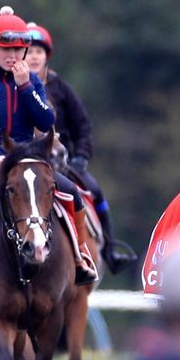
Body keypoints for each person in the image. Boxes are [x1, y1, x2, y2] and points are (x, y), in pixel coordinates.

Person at [0, 7, 97, 293]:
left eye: (18, 48)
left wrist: (25, 88)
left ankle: (80, 255)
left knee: (73, 193)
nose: (12, 55)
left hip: (28, 158)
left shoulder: (31, 81)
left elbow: (46, 121)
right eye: (5, 49)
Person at [21, 22, 137, 275]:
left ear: (47, 56)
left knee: (94, 190)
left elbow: (83, 126)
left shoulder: (60, 89)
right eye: (29, 52)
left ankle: (108, 248)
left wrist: (81, 157)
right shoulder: (11, 87)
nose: (34, 57)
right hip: (24, 160)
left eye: (39, 51)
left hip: (61, 162)